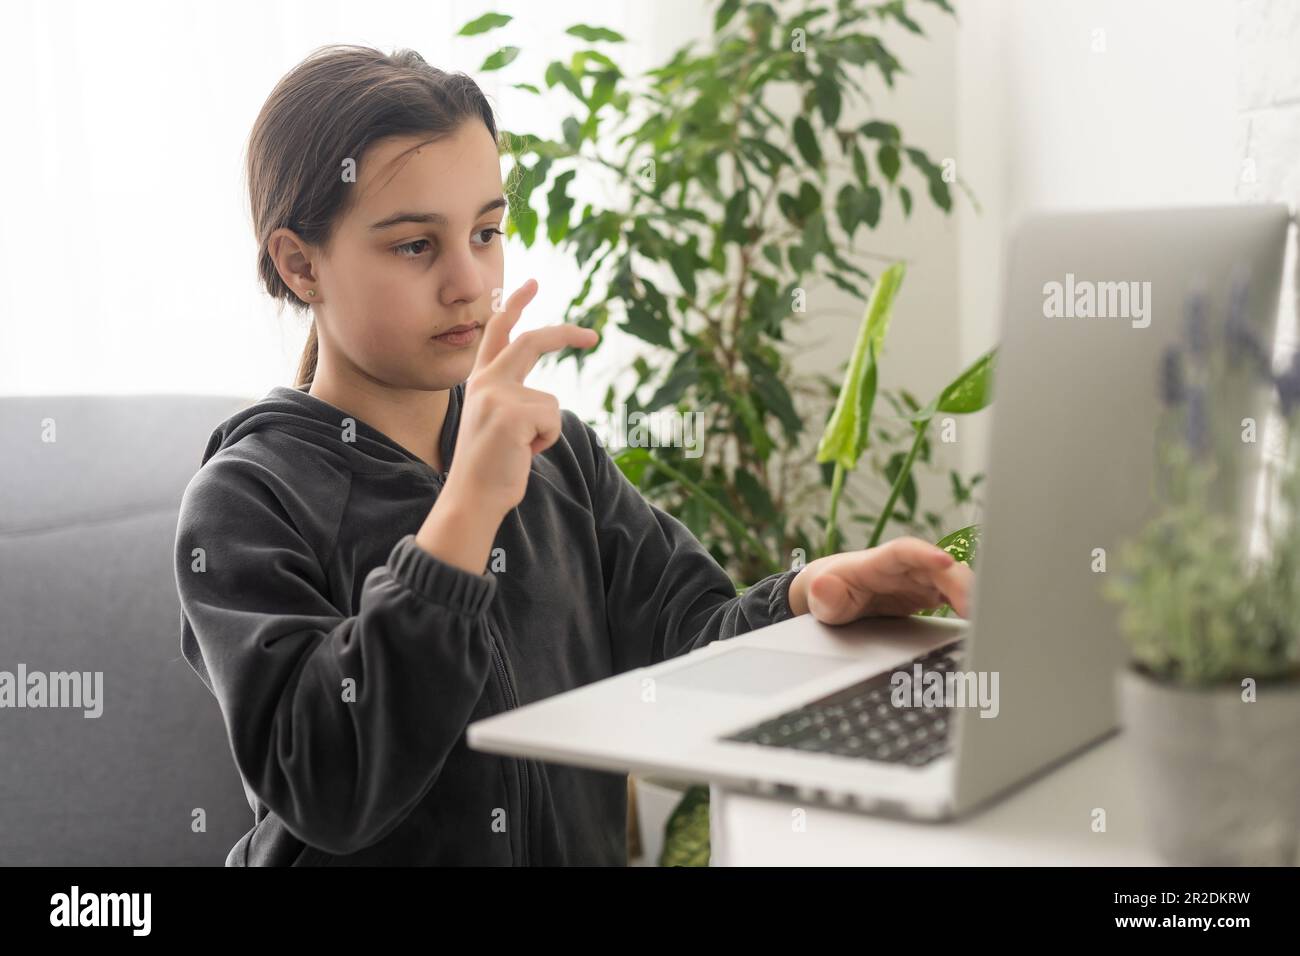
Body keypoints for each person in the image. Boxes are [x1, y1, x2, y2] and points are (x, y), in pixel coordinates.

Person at [174, 44, 974, 867]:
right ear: (299, 263)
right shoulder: (244, 502)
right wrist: (468, 511)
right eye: (415, 245)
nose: (469, 283)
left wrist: (811, 595)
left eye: (486, 231)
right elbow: (327, 786)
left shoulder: (559, 456)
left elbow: (692, 635)